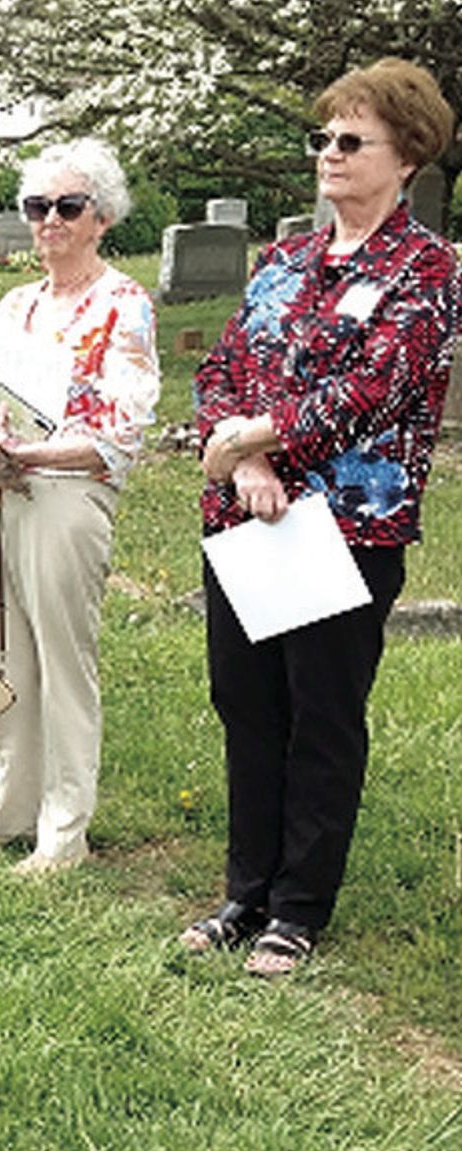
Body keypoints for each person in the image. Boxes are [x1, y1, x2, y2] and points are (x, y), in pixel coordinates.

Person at [182, 59, 459, 976]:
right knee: (247, 706)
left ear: (407, 156)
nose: (329, 155)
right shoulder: (286, 259)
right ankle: (244, 890)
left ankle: (298, 908)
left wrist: (266, 445)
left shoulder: (424, 269)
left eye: (351, 141)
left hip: (343, 531)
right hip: (245, 515)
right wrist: (248, 456)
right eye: (323, 139)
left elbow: (374, 391)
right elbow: (222, 368)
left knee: (321, 715)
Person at [0, 138, 160, 875]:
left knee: (64, 663)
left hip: (66, 496)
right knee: (0, 654)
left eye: (67, 207)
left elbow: (122, 430)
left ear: (101, 217)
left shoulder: (124, 304)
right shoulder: (16, 303)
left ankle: (64, 832)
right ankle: (10, 810)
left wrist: (33, 456)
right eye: (37, 208)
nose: (50, 222)